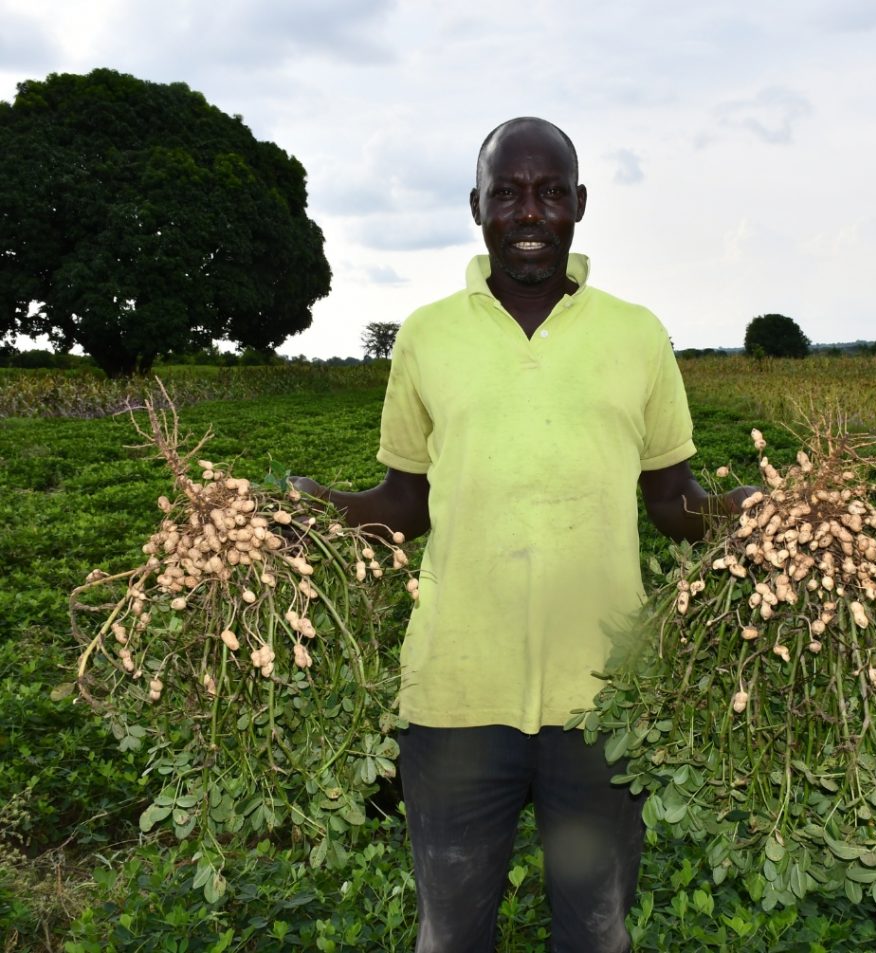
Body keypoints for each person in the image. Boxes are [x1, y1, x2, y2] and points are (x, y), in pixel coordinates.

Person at [292, 116, 752, 953]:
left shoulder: (637, 334)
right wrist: (314, 506)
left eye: (548, 192)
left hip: (606, 699)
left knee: (597, 928)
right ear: (478, 207)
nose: (529, 210)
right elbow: (405, 502)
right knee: (453, 931)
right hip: (456, 696)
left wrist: (756, 511)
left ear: (579, 205)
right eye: (508, 192)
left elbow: (674, 501)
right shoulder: (428, 335)